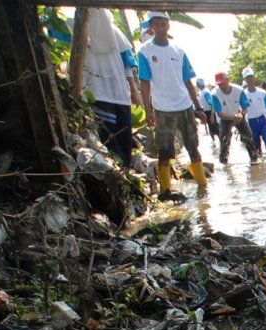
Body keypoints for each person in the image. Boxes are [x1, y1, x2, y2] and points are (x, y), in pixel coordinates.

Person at [137, 11, 208, 198]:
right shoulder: (145, 52)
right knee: (164, 151)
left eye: (163, 24)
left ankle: (203, 188)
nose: (160, 28)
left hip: (184, 105)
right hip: (162, 108)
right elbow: (144, 83)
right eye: (156, 24)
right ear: (151, 27)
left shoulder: (179, 51)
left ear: (168, 25)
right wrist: (148, 109)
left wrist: (198, 108)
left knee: (193, 147)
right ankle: (165, 191)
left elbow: (188, 82)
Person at [82, 9, 141, 167]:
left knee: (122, 137)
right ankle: (117, 170)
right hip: (97, 94)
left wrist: (134, 92)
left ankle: (124, 170)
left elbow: (128, 66)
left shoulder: (117, 34)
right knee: (108, 139)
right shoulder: (82, 30)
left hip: (119, 93)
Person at [210, 71, 261, 165]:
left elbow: (245, 108)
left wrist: (241, 115)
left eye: (223, 83)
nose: (222, 86)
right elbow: (219, 114)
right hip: (225, 118)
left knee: (248, 138)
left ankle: (254, 159)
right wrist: (233, 118)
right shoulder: (214, 94)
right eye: (219, 84)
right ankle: (224, 164)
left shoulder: (239, 90)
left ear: (228, 80)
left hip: (239, 116)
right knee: (224, 141)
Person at [242, 67, 266, 157]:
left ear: (254, 77)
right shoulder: (243, 94)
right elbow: (242, 110)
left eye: (251, 77)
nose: (250, 79)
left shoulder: (262, 93)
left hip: (262, 120)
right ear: (244, 79)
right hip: (251, 122)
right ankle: (259, 164)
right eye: (247, 77)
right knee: (256, 145)